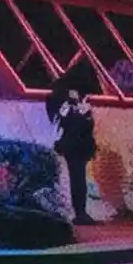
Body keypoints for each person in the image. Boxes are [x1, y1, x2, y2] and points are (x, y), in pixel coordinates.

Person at [46, 63, 99, 226]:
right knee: (78, 177)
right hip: (73, 142)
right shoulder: (65, 95)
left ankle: (80, 212)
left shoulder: (64, 93)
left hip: (75, 142)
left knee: (78, 177)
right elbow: (65, 118)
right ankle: (80, 213)